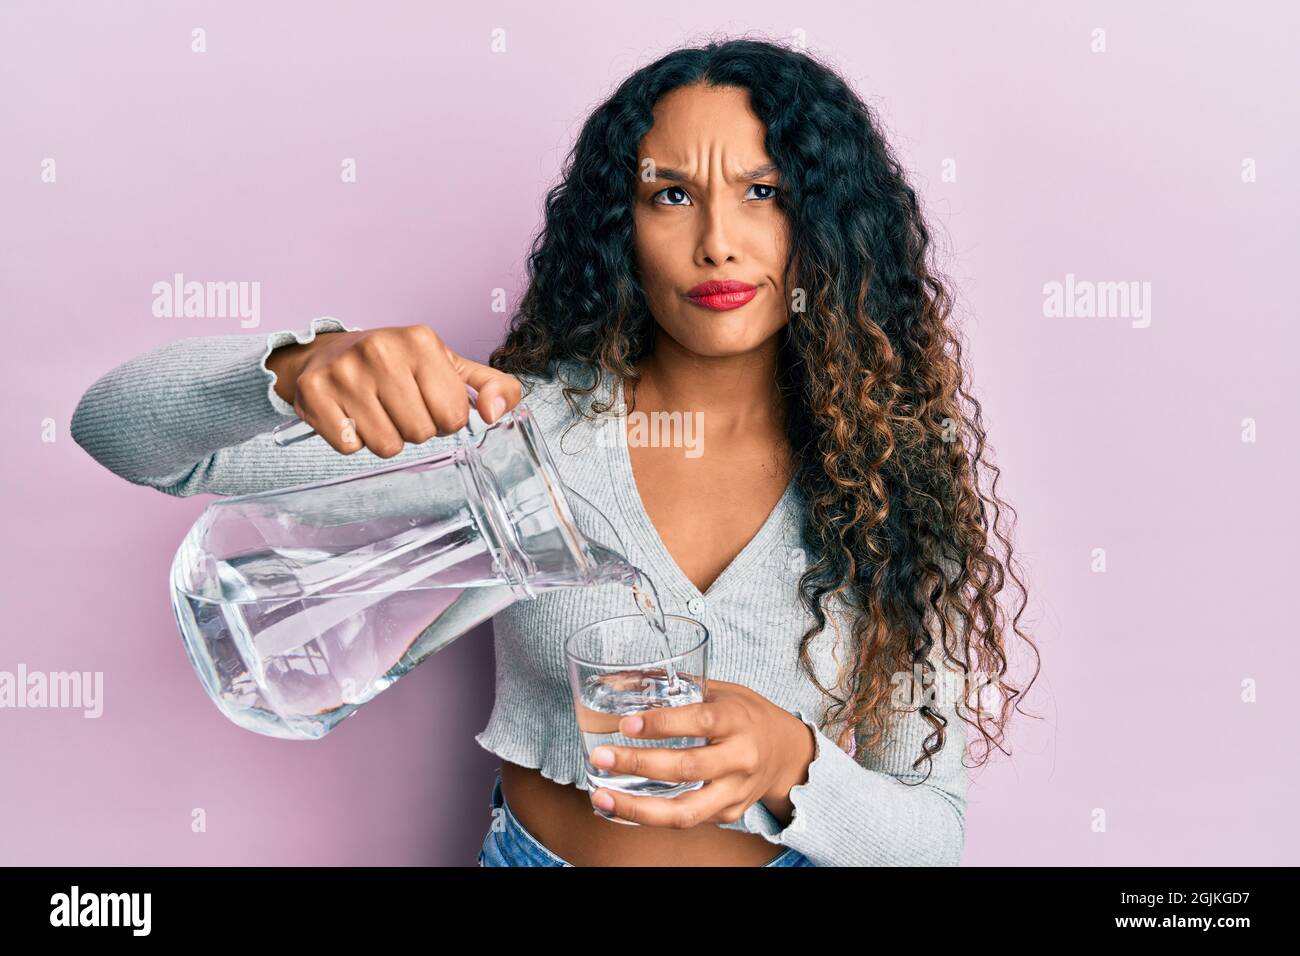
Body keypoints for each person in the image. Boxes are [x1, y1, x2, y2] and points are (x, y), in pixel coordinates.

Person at [71, 38, 1037, 867]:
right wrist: (294, 366)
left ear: (826, 227)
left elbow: (932, 832)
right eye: (670, 195)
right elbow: (116, 432)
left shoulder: (890, 491)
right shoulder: (512, 433)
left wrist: (795, 763)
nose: (716, 243)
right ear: (622, 233)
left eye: (763, 192)